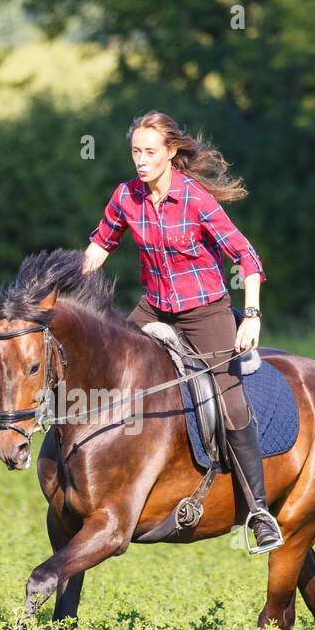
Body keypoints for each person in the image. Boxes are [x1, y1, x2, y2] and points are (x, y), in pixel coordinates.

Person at [82, 110, 283, 552]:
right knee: (104, 363)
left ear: (171, 153)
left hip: (205, 312)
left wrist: (250, 315)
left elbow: (247, 258)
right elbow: (100, 246)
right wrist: (69, 288)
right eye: (135, 151)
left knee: (230, 402)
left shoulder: (195, 199)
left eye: (150, 152)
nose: (140, 160)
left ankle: (260, 511)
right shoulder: (126, 197)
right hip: (154, 307)